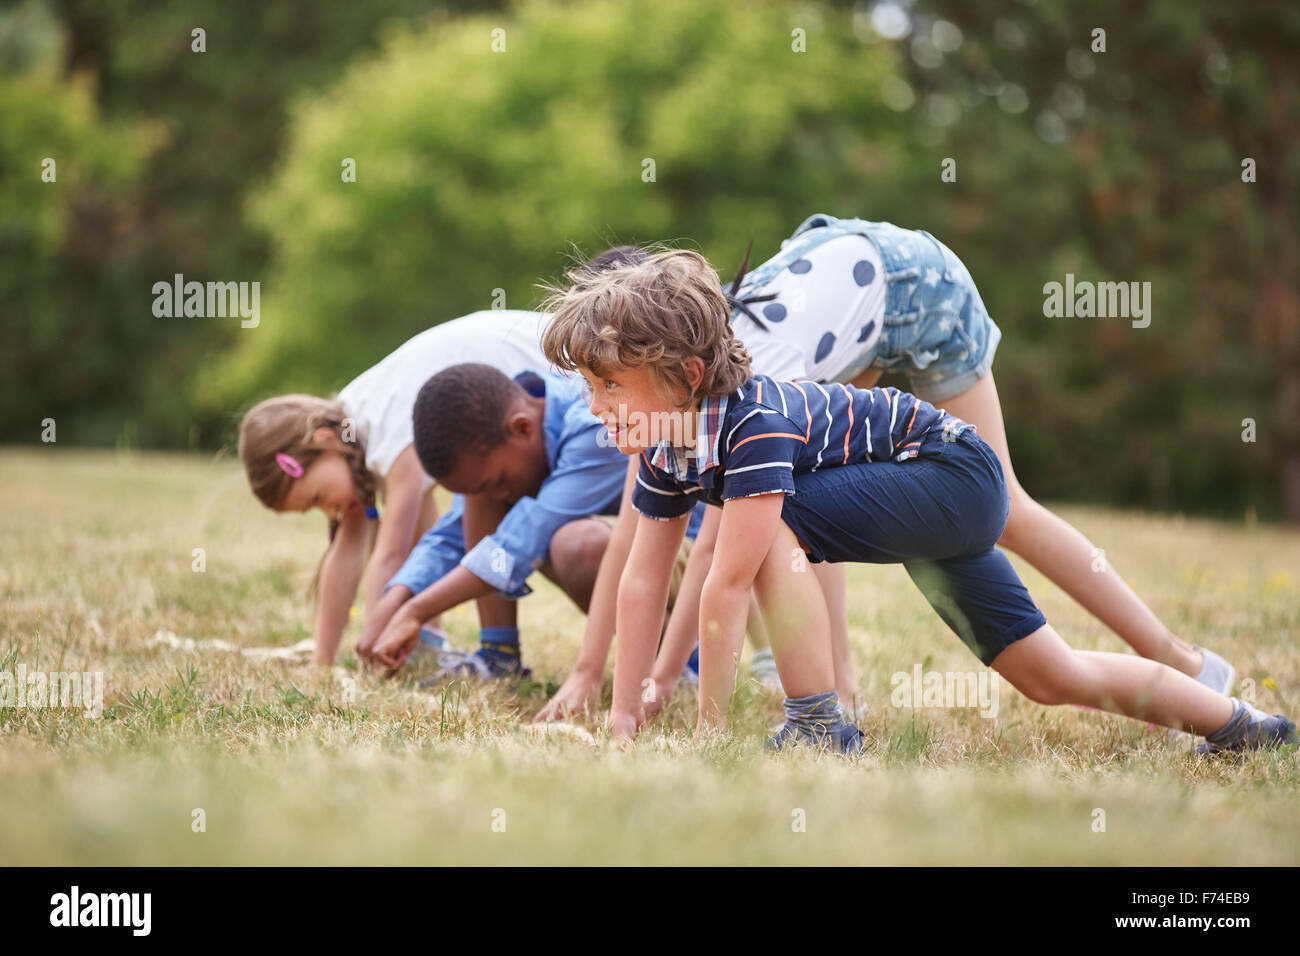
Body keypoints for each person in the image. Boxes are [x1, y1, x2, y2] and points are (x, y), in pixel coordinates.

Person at [537, 248, 1296, 756]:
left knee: (768, 527)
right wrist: (626, 716)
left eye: (609, 383)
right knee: (1050, 675)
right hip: (932, 501)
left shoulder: (751, 426)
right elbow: (642, 579)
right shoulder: (668, 445)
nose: (594, 403)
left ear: (688, 373)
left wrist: (708, 737)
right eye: (588, 384)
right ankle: (1239, 724)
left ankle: (817, 722)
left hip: (953, 476)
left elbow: (730, 580)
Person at [238, 310, 552, 665]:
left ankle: (489, 650)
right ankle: (431, 641)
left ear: (325, 440)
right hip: (528, 383)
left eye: (317, 498)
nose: (329, 511)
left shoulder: (389, 435)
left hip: (560, 367)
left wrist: (372, 651)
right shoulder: (351, 429)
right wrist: (321, 662)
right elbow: (346, 552)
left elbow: (391, 554)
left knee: (487, 500)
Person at [365, 363, 699, 678]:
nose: (498, 497)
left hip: (689, 556)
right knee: (484, 501)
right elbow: (453, 535)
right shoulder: (506, 438)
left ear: (522, 428)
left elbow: (518, 544)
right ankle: (499, 658)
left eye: (497, 481)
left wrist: (416, 612)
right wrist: (396, 597)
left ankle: (683, 663)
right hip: (635, 554)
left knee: (579, 546)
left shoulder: (593, 427)